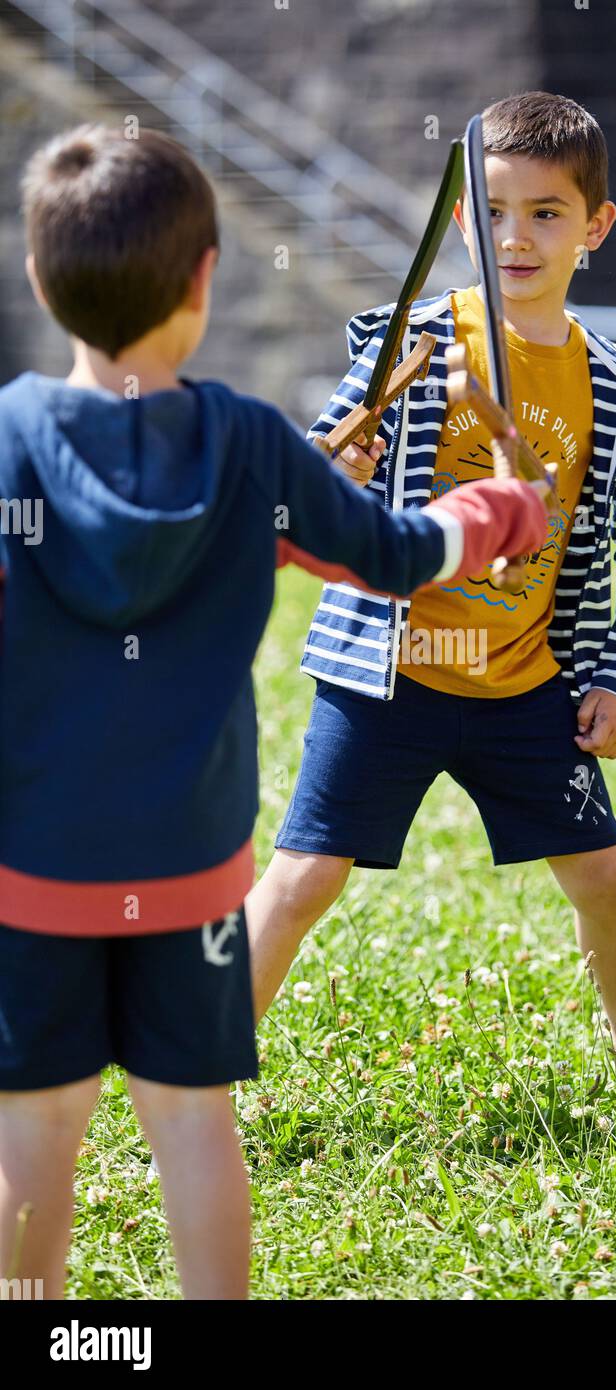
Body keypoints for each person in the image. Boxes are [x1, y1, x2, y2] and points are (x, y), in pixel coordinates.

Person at [0, 123, 548, 1299]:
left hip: (33, 871)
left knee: (36, 1123)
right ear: (207, 276)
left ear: (39, 280)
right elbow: (401, 554)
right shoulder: (251, 445)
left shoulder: (9, 442)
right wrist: (506, 507)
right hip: (193, 871)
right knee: (190, 1117)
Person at [247, 91, 616, 1093]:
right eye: (491, 210)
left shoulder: (615, 388)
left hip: (525, 688)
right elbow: (308, 488)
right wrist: (337, 477)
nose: (516, 236)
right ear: (459, 222)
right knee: (303, 876)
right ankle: (189, 1068)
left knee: (605, 875)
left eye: (545, 211)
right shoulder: (410, 341)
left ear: (596, 225)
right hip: (385, 676)